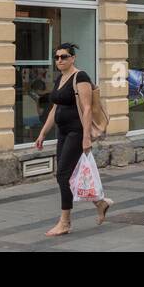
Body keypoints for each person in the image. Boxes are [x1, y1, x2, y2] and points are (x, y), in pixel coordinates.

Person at [34, 43, 111, 236]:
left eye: (64, 56)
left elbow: (86, 108)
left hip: (77, 132)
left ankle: (65, 222)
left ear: (73, 58)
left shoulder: (80, 76)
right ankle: (101, 203)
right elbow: (55, 108)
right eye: (57, 57)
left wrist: (86, 138)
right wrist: (43, 133)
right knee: (68, 175)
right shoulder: (60, 78)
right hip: (63, 132)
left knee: (62, 175)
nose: (60, 60)